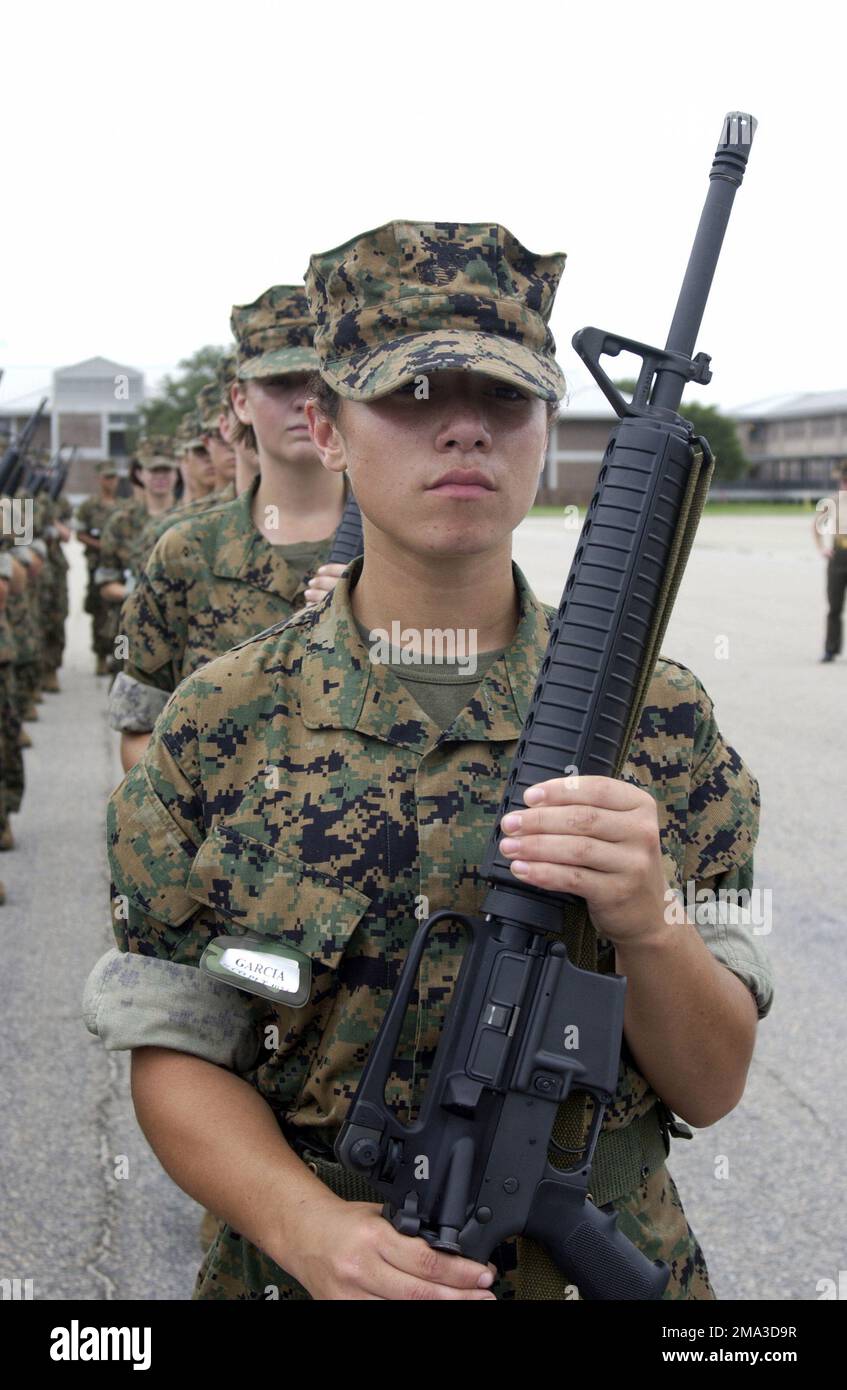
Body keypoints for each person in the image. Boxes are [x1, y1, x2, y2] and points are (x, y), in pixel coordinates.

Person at [85, 221, 772, 1301]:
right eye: (409, 398)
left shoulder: (664, 719)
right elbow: (175, 1047)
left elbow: (713, 1077)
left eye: (504, 400)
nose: (463, 430)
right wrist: (308, 1229)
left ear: (546, 426)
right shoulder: (220, 722)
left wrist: (650, 920)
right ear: (329, 429)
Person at [107, 286, 352, 773]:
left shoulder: (404, 552)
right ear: (240, 401)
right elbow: (139, 730)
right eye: (281, 382)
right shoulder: (187, 551)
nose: (306, 400)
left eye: (322, 380)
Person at [76, 460, 121, 675]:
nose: (111, 482)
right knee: (99, 612)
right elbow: (76, 533)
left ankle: (120, 657)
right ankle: (101, 656)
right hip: (96, 566)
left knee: (122, 614)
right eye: (106, 477)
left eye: (113, 477)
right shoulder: (89, 505)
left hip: (120, 569)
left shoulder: (125, 506)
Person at [814, 461, 847, 662]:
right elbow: (816, 526)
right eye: (844, 481)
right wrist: (822, 548)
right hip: (838, 556)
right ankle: (831, 649)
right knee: (834, 607)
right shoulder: (833, 501)